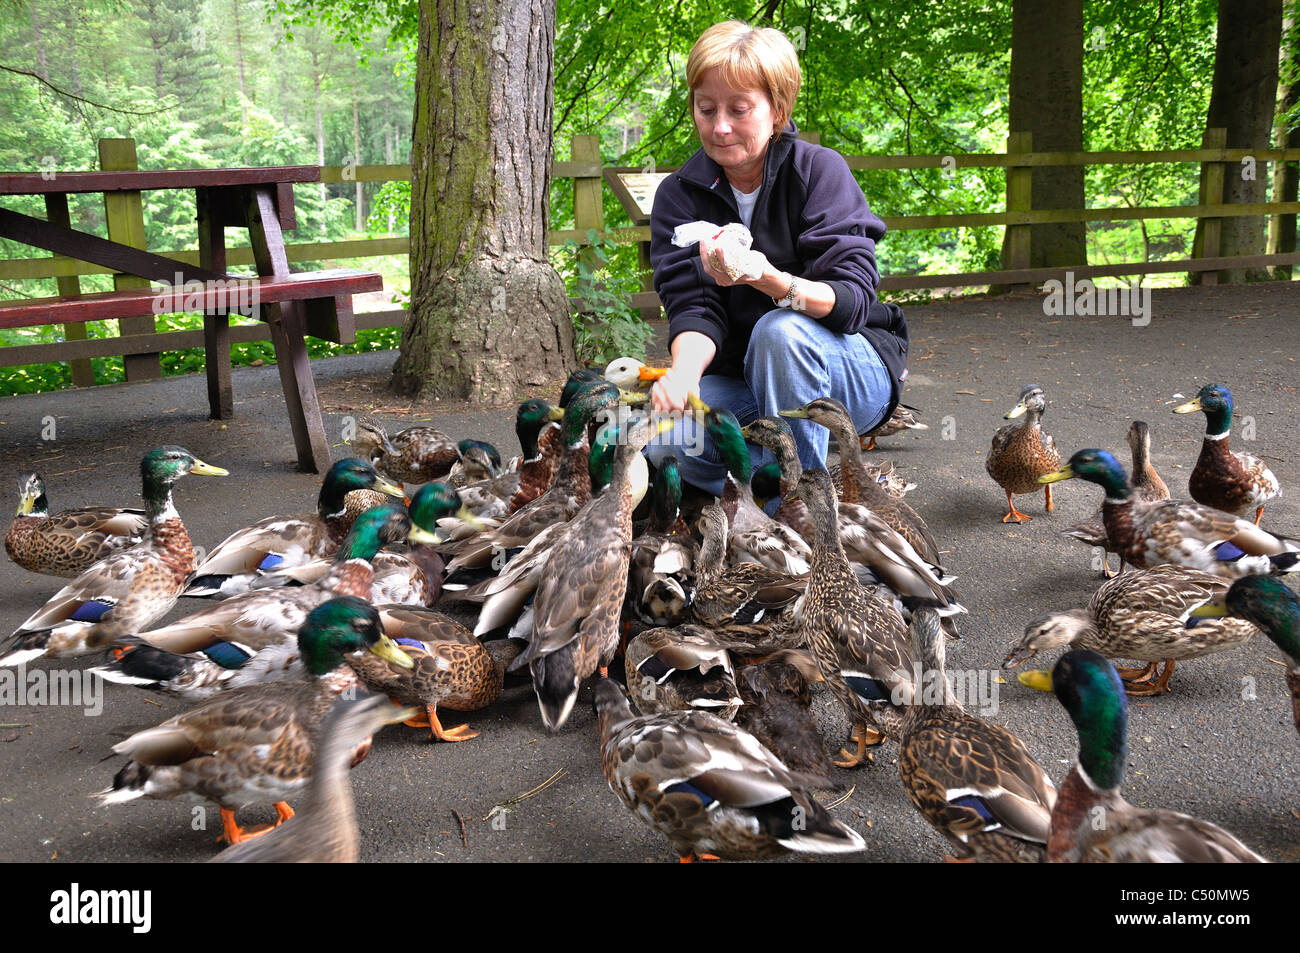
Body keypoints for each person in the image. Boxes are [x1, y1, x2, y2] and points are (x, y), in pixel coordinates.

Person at [645, 19, 909, 496]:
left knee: (780, 331)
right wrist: (682, 376)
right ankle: (759, 479)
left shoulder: (819, 170)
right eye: (706, 109)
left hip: (847, 368)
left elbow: (851, 301)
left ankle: (800, 511)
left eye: (739, 109)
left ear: (779, 109)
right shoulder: (678, 196)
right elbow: (693, 309)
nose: (719, 126)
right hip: (745, 378)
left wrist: (767, 278)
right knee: (664, 443)